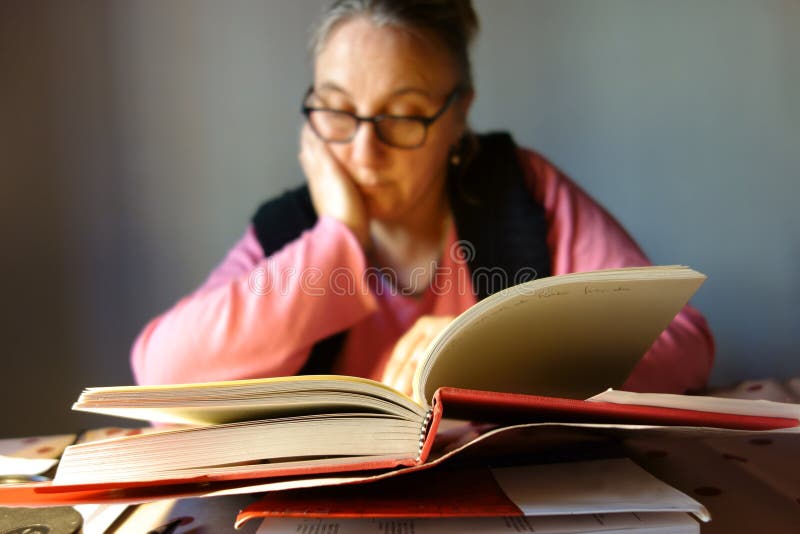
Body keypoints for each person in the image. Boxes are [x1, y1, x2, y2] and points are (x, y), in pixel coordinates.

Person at [131, 0, 714, 395]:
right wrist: (337, 236)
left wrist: (489, 358)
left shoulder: (520, 191)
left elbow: (683, 341)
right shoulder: (291, 228)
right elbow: (160, 372)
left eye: (404, 117)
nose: (362, 153)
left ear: (459, 115)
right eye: (336, 110)